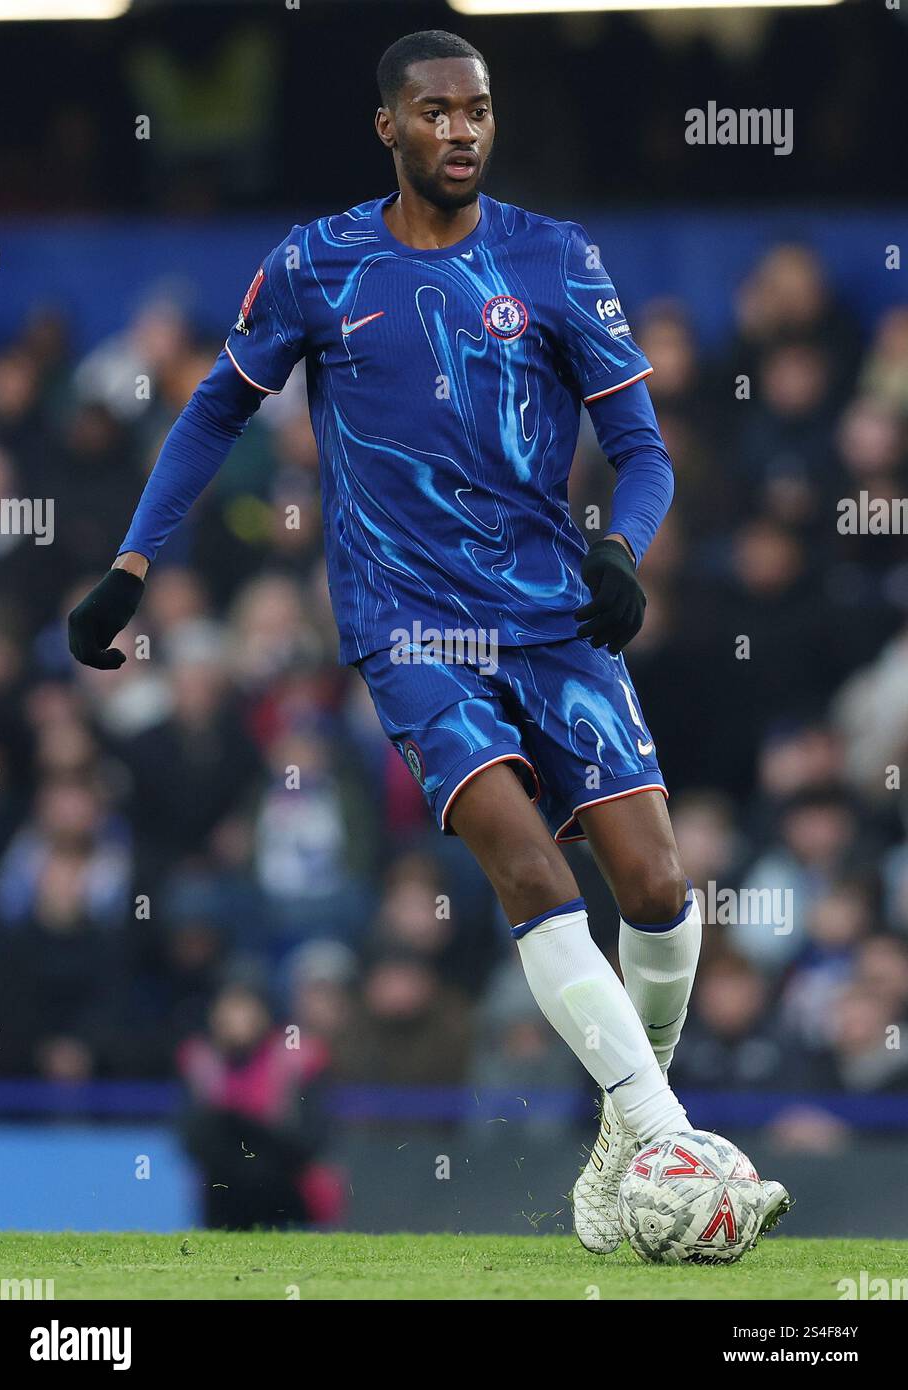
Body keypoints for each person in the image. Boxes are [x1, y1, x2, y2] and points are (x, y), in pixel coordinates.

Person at [67, 29, 788, 1252]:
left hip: (553, 613)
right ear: (388, 128)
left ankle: (630, 1121)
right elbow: (212, 410)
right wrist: (134, 564)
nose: (462, 130)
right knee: (528, 864)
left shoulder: (554, 259)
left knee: (661, 889)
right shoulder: (319, 263)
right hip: (409, 625)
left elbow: (647, 451)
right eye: (437, 111)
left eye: (480, 111)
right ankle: (669, 1133)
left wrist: (621, 549)